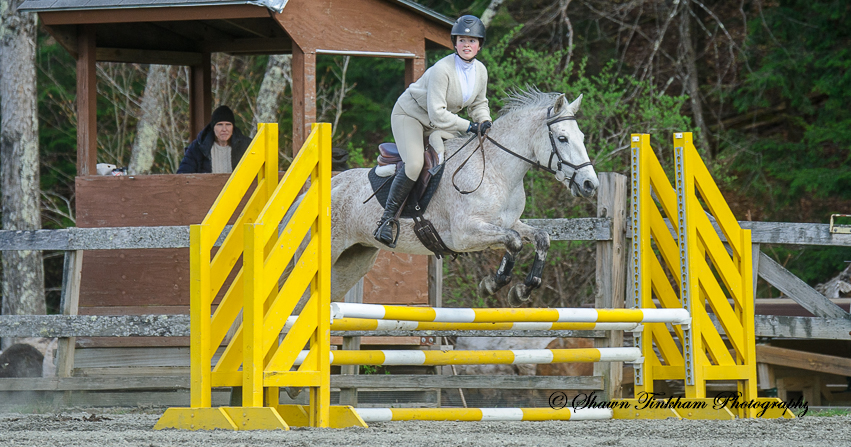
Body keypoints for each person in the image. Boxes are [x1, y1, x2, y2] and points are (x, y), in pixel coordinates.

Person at [374, 14, 493, 247]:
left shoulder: (481, 71)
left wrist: (486, 121)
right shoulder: (443, 69)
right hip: (411, 115)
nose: (466, 45)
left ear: (479, 46)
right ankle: (387, 221)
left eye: (472, 41)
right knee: (416, 164)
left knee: (460, 152)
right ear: (455, 43)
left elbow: (479, 104)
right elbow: (438, 113)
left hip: (439, 124)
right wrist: (470, 126)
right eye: (461, 40)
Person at [177, 105, 252, 174]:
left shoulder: (246, 146)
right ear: (213, 127)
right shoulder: (198, 147)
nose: (224, 129)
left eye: (228, 124)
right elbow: (183, 175)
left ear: (233, 127)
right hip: (205, 188)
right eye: (220, 124)